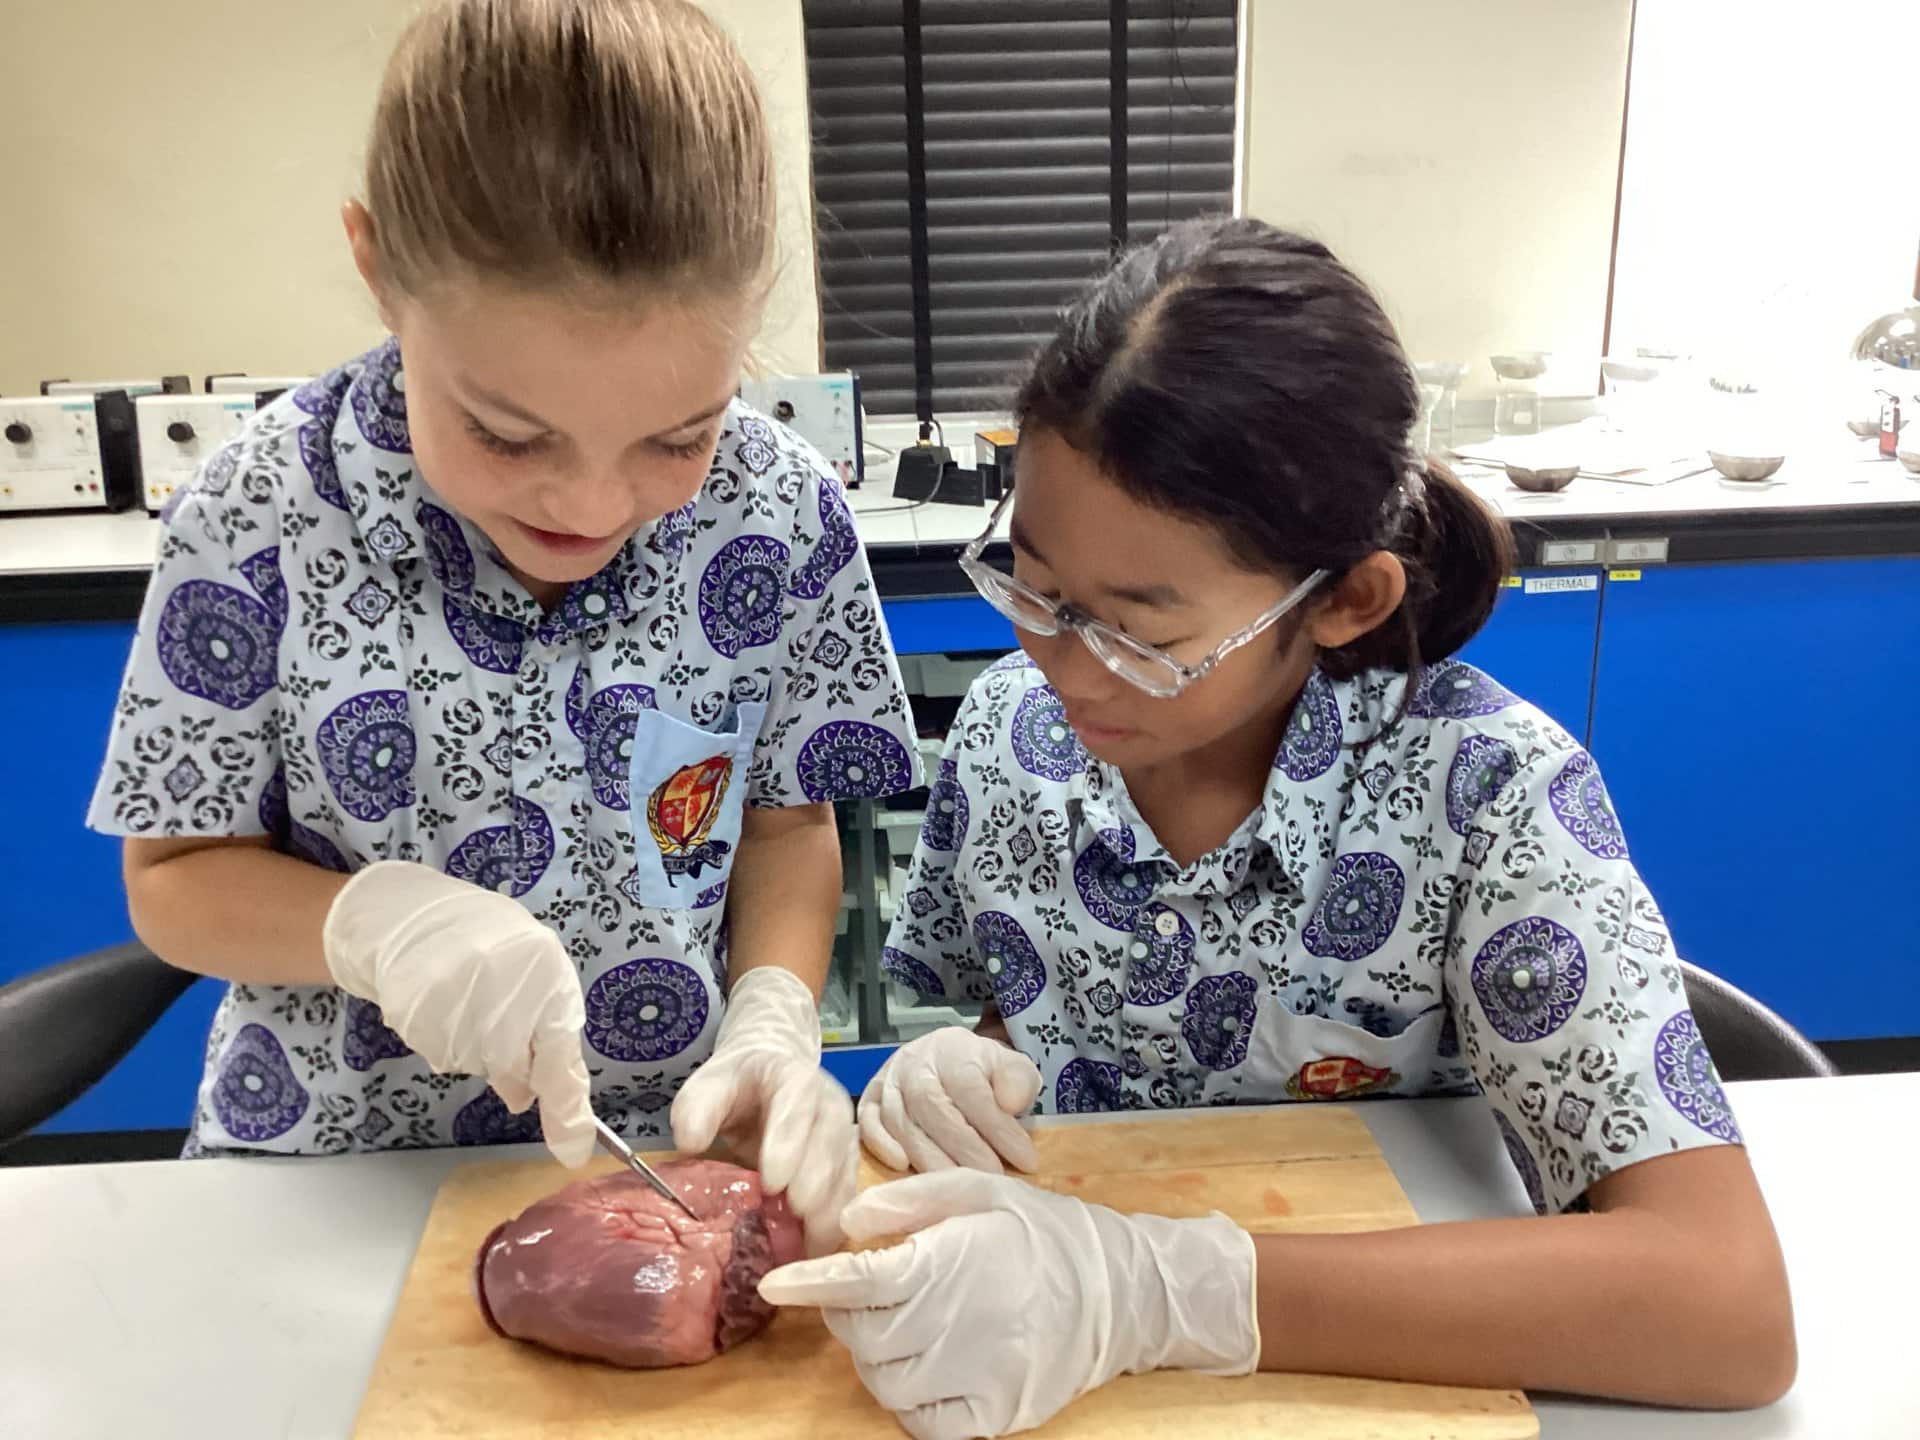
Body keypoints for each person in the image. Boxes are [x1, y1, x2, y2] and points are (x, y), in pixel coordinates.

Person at [758, 218, 1796, 1432]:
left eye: (1142, 631)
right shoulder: (1010, 734)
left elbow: (1725, 1308)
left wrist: (1160, 1291)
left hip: (1373, 1377)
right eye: (1034, 589)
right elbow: (1026, 1007)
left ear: (1344, 600)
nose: (1066, 667)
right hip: (1050, 1376)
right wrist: (966, 1066)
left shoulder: (1486, 794)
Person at [86, 0, 918, 1252]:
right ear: (378, 268)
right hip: (333, 1172)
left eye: (676, 437)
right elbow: (172, 881)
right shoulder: (258, 511)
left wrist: (771, 1017)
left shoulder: (777, 510)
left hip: (665, 1163)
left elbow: (786, 826)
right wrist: (371, 927)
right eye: (509, 435)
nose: (592, 507)